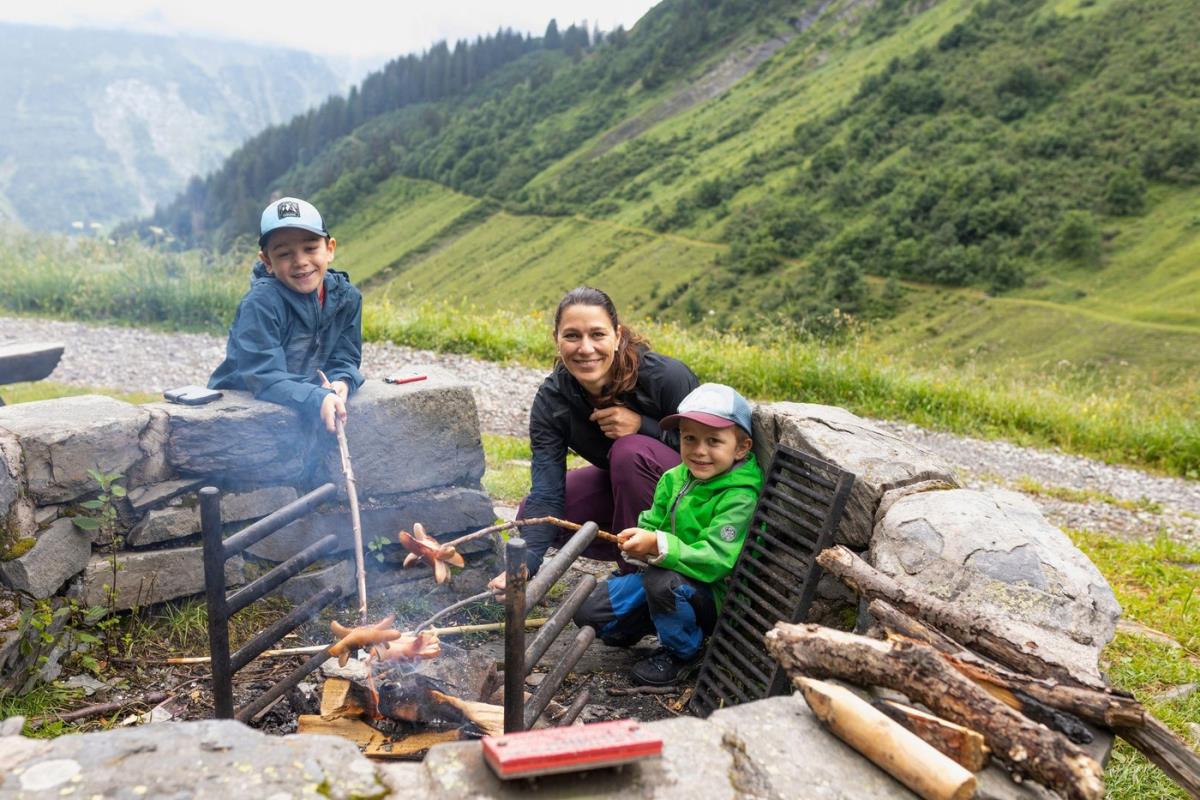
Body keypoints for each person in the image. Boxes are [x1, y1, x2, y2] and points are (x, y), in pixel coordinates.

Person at [488, 286, 700, 594]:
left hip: (694, 499)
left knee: (629, 451)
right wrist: (525, 564)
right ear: (556, 339)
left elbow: (710, 452)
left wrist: (642, 427)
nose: (585, 348)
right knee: (540, 520)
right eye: (572, 336)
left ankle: (643, 579)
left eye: (597, 334)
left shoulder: (665, 377)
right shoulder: (553, 399)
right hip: (631, 493)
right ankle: (639, 564)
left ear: (617, 335)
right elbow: (546, 491)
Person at [573, 383, 765, 685]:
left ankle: (684, 652)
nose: (699, 451)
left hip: (714, 594)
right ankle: (655, 620)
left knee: (661, 583)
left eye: (714, 441)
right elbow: (653, 521)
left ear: (741, 448)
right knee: (589, 614)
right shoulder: (674, 478)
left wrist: (658, 545)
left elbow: (716, 560)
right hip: (668, 570)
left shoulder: (740, 498)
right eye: (690, 439)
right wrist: (640, 539)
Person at [209, 197, 364, 433]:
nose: (300, 262)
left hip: (300, 394)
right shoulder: (260, 304)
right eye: (284, 254)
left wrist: (341, 381)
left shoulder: (347, 298)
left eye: (310, 248)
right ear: (267, 261)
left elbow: (345, 358)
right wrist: (315, 396)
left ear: (330, 249)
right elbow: (264, 375)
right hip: (242, 409)